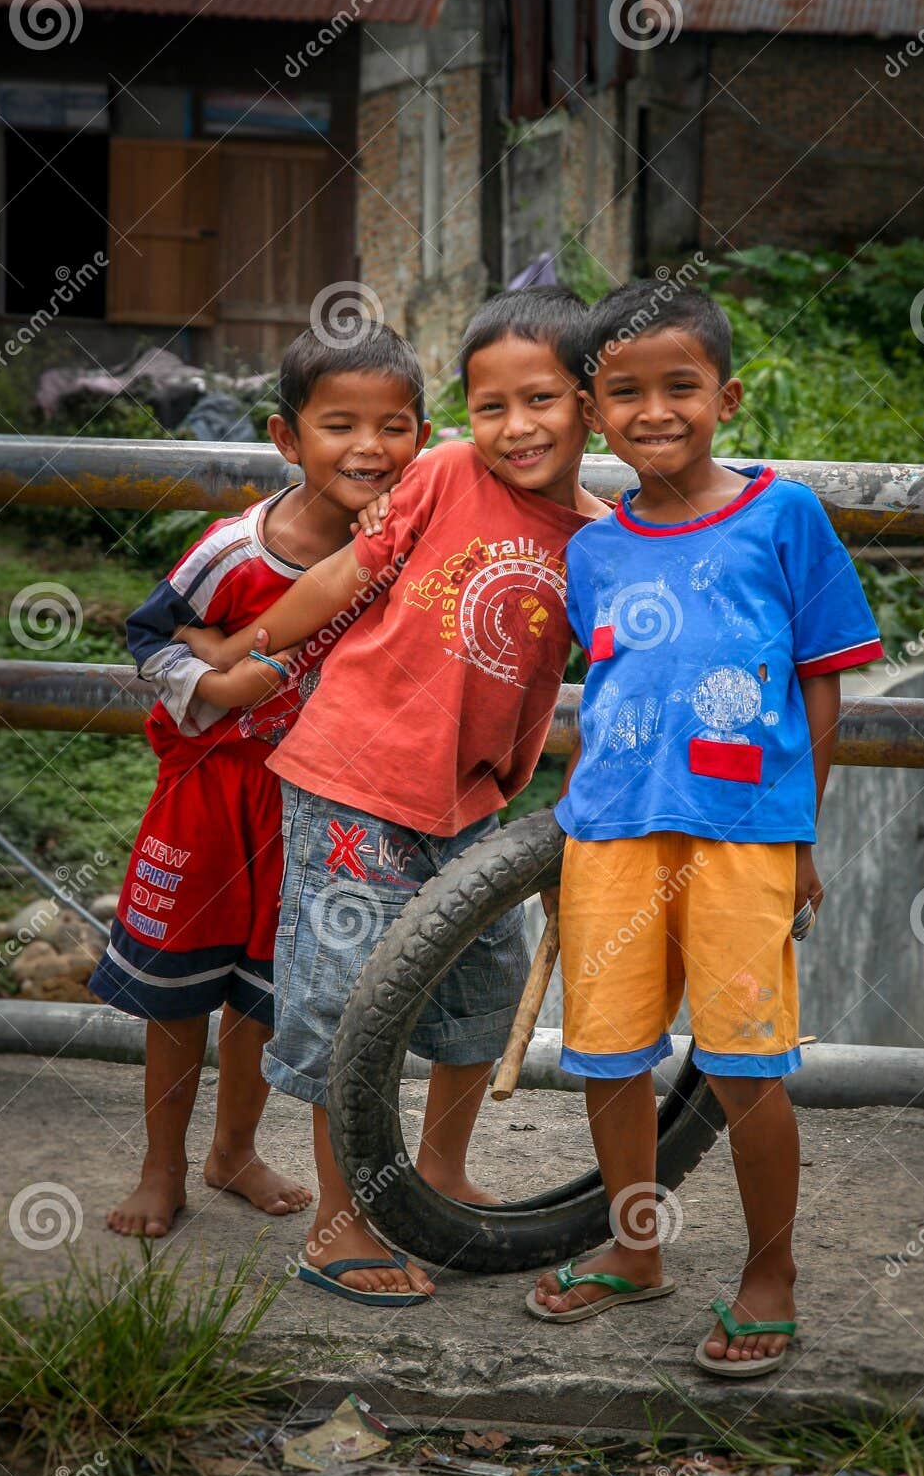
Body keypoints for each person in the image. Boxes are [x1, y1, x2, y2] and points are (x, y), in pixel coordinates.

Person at [179, 287, 608, 1304]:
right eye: (489, 405)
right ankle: (339, 1220)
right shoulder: (445, 472)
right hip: (353, 782)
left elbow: (626, 676)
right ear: (462, 417)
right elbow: (339, 579)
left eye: (539, 400)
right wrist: (247, 648)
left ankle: (441, 1178)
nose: (514, 427)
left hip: (471, 809)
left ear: (589, 404)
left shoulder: (601, 541)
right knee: (344, 1005)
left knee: (479, 995)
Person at [528, 280, 882, 1379]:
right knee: (608, 1055)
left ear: (723, 395)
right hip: (611, 833)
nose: (654, 411)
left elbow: (820, 684)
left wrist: (800, 836)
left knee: (742, 1065)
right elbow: (605, 691)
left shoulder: (783, 515)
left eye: (679, 386)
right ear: (593, 409)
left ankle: (767, 1272)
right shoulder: (594, 548)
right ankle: (635, 1250)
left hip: (739, 834)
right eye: (624, 392)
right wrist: (563, 828)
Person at [90, 324, 429, 1238]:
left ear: (424, 439)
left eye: (394, 426)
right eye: (340, 424)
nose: (369, 446)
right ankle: (161, 1166)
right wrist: (216, 681)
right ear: (288, 439)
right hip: (207, 797)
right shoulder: (234, 551)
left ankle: (232, 1149)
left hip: (316, 806)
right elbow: (150, 636)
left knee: (266, 988)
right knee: (176, 990)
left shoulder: (405, 551)